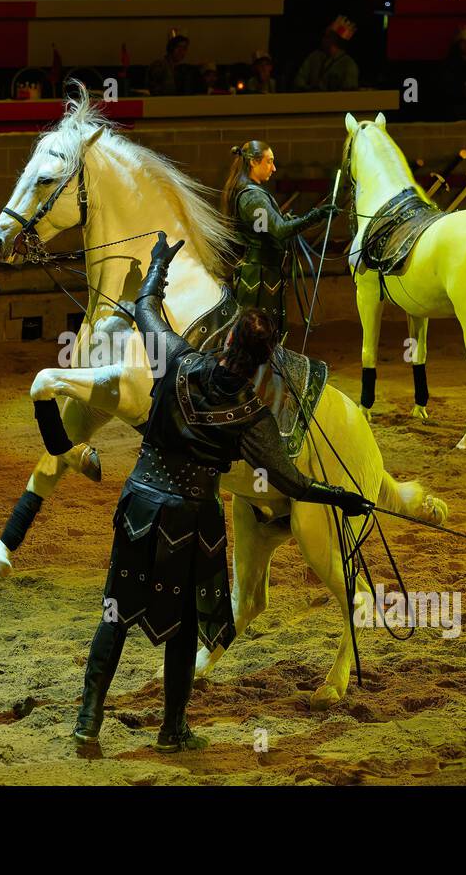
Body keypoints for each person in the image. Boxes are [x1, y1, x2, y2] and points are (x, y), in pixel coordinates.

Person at [66, 234, 373, 752]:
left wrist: (158, 267)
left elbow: (146, 311)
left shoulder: (178, 362)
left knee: (115, 612)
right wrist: (341, 498)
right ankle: (173, 729)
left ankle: (87, 720)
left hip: (140, 505)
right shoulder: (253, 419)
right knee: (183, 625)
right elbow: (292, 482)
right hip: (191, 520)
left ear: (226, 340)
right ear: (262, 365)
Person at [225, 141, 331, 336]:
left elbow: (265, 228)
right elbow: (280, 231)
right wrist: (314, 217)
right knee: (261, 335)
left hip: (262, 275)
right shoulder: (253, 197)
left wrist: (287, 220)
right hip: (260, 278)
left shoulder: (250, 192)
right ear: (254, 163)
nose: (273, 168)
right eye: (269, 162)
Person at [293, 17, 359, 92]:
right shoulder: (314, 57)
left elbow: (349, 92)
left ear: (334, 39)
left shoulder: (348, 64)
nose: (322, 39)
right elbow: (299, 81)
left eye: (326, 36)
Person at [147, 32, 203, 96]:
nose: (181, 51)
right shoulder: (159, 65)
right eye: (178, 47)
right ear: (171, 47)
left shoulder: (181, 69)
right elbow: (154, 91)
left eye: (184, 48)